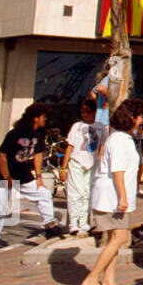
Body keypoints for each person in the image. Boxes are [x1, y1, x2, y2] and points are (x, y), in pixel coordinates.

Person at [79, 99, 143, 285]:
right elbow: (117, 171)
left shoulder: (123, 138)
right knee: (120, 237)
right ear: (132, 118)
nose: (142, 120)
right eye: (140, 116)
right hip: (112, 198)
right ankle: (92, 279)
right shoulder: (117, 140)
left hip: (113, 196)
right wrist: (123, 198)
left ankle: (108, 280)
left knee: (113, 238)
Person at [0, 103, 65, 256]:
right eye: (43, 117)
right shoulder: (15, 134)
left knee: (43, 194)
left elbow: (38, 154)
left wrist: (39, 176)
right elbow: (1, 157)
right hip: (3, 175)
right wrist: (7, 177)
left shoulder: (40, 133)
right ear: (35, 118)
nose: (45, 119)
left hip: (23, 174)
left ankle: (50, 226)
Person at [61, 97, 104, 235]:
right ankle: (73, 223)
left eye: (87, 111)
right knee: (76, 192)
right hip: (77, 161)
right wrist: (63, 167)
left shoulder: (101, 127)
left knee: (87, 192)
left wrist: (100, 162)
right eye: (82, 112)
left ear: (94, 112)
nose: (84, 114)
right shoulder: (76, 126)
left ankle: (84, 222)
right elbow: (70, 146)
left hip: (92, 162)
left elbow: (102, 145)